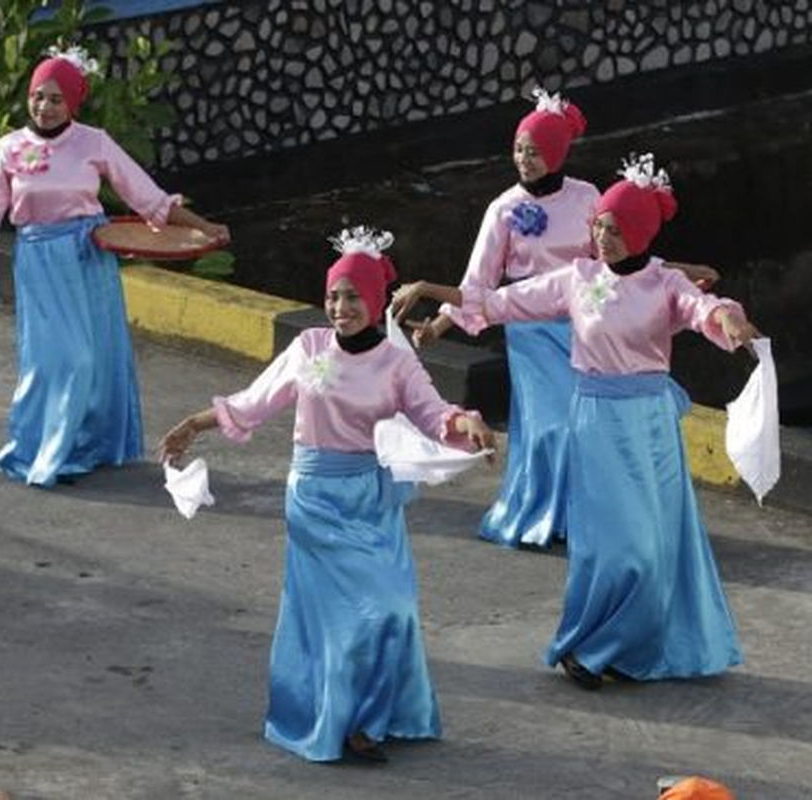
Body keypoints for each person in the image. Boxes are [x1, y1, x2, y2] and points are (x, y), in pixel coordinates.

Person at [396, 154, 755, 689]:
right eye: (599, 226)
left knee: (658, 546)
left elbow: (707, 312)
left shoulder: (664, 284)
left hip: (652, 426)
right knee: (618, 547)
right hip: (598, 422)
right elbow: (496, 302)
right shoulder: (576, 278)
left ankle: (628, 649)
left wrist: (727, 314)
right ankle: (587, 646)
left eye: (614, 228)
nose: (602, 236)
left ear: (638, 232)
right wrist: (431, 294)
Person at [159, 227, 494, 762]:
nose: (342, 307)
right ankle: (349, 722)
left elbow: (433, 415)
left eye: (354, 296)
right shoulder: (309, 347)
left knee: (392, 608)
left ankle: (373, 713)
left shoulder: (396, 361)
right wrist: (194, 425)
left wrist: (466, 424)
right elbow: (254, 401)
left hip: (371, 502)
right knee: (344, 618)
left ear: (376, 300)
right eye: (334, 296)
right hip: (314, 499)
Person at [392, 88, 718, 550]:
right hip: (529, 328)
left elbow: (622, 250)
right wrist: (436, 326)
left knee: (587, 419)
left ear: (558, 152)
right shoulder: (502, 208)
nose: (525, 158)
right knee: (551, 425)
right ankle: (542, 511)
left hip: (582, 318)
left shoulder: (587, 196)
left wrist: (681, 270)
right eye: (520, 148)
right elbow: (478, 283)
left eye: (536, 150)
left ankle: (588, 513)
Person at [0, 44, 230, 487]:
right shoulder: (9, 149)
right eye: (37, 97)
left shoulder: (94, 142)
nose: (44, 107)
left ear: (72, 102)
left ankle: (89, 447)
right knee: (64, 360)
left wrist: (206, 228)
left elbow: (147, 198)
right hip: (40, 265)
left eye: (55, 99)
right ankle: (46, 451)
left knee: (99, 357)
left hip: (88, 258)